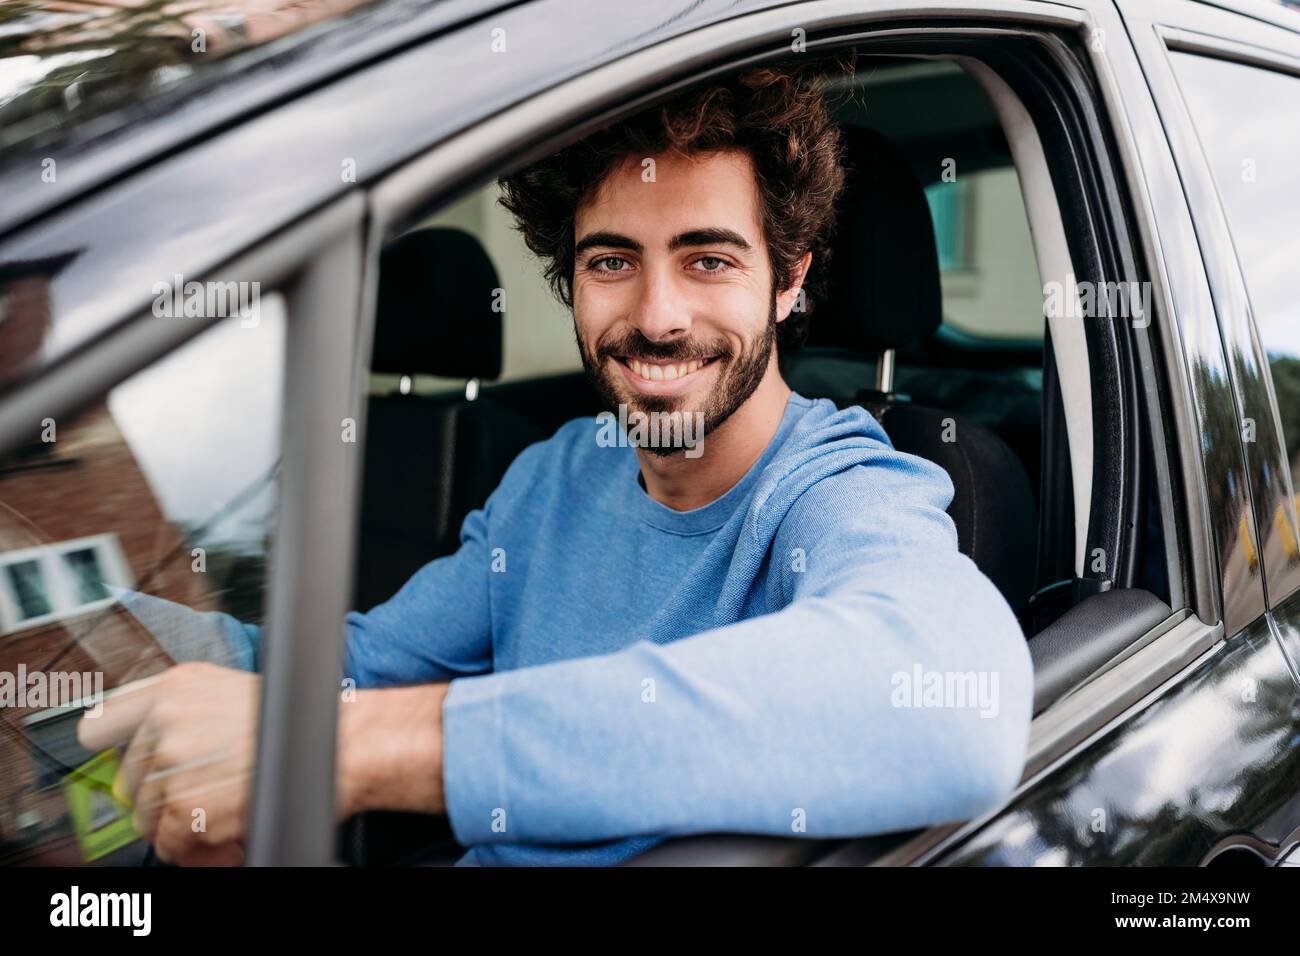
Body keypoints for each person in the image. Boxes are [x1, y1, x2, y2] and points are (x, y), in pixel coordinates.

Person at [79, 58, 1033, 867]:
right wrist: (85, 634)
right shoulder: (558, 472)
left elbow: (957, 699)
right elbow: (357, 669)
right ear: (570, 282)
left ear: (789, 280)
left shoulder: (841, 489)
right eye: (612, 262)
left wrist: (338, 751)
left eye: (709, 260)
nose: (657, 317)